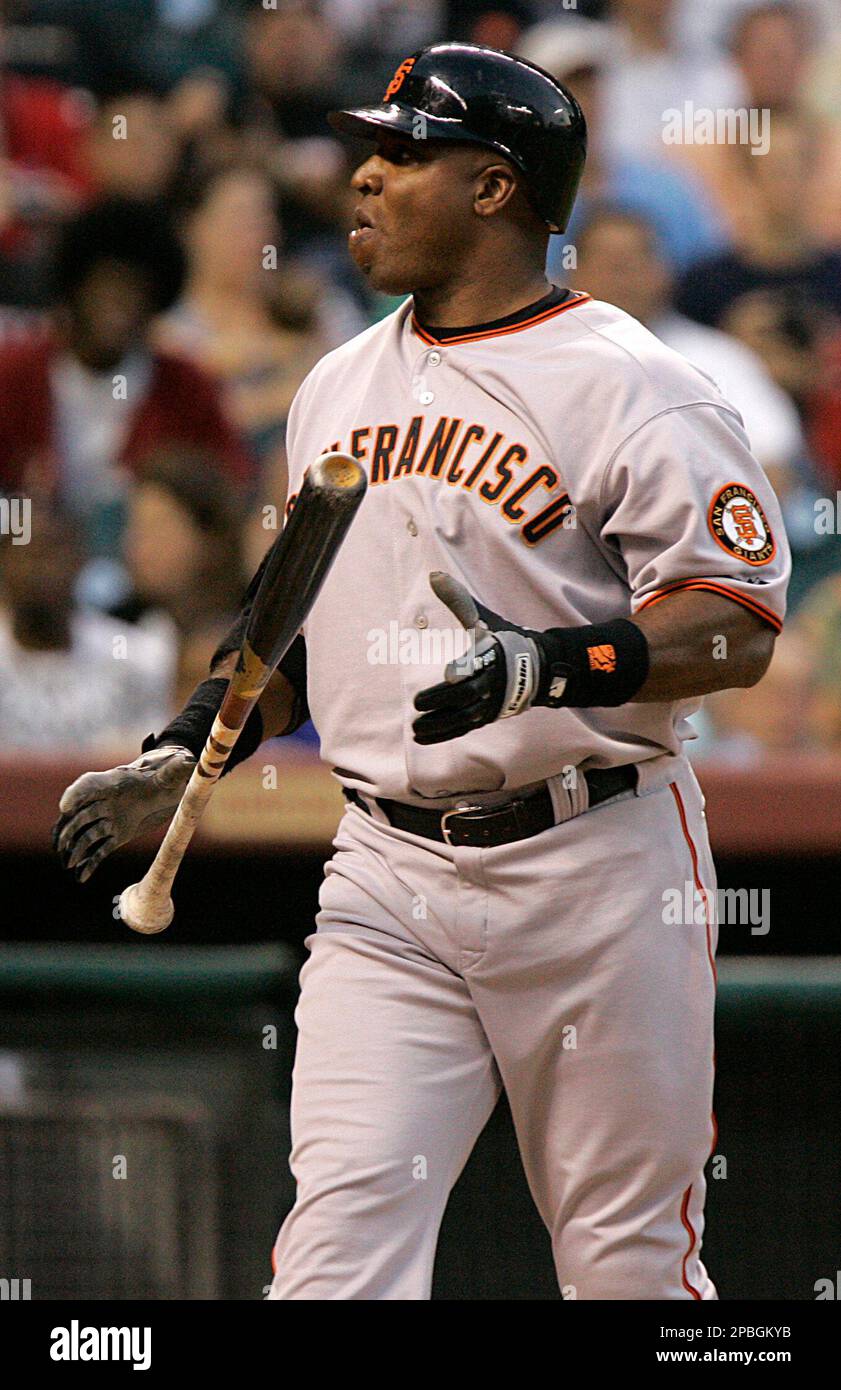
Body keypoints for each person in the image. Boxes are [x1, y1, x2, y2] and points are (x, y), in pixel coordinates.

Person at [54, 43, 790, 1300]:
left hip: (595, 865)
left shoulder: (640, 386)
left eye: (402, 154)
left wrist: (550, 665)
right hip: (389, 875)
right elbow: (289, 624)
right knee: (335, 1266)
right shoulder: (336, 386)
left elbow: (736, 621)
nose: (364, 180)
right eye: (367, 153)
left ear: (495, 187)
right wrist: (189, 746)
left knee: (625, 1269)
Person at [0, 197, 254, 577]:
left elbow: (230, 489)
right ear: (75, 287)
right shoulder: (15, 375)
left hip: (148, 587)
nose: (119, 304)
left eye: (135, 289)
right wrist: (19, 517)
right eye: (107, 285)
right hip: (26, 580)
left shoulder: (185, 386)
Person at [573, 205, 804, 501]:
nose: (626, 278)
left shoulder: (717, 356)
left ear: (665, 271)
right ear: (572, 272)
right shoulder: (546, 360)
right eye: (613, 265)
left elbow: (774, 468)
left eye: (639, 260)